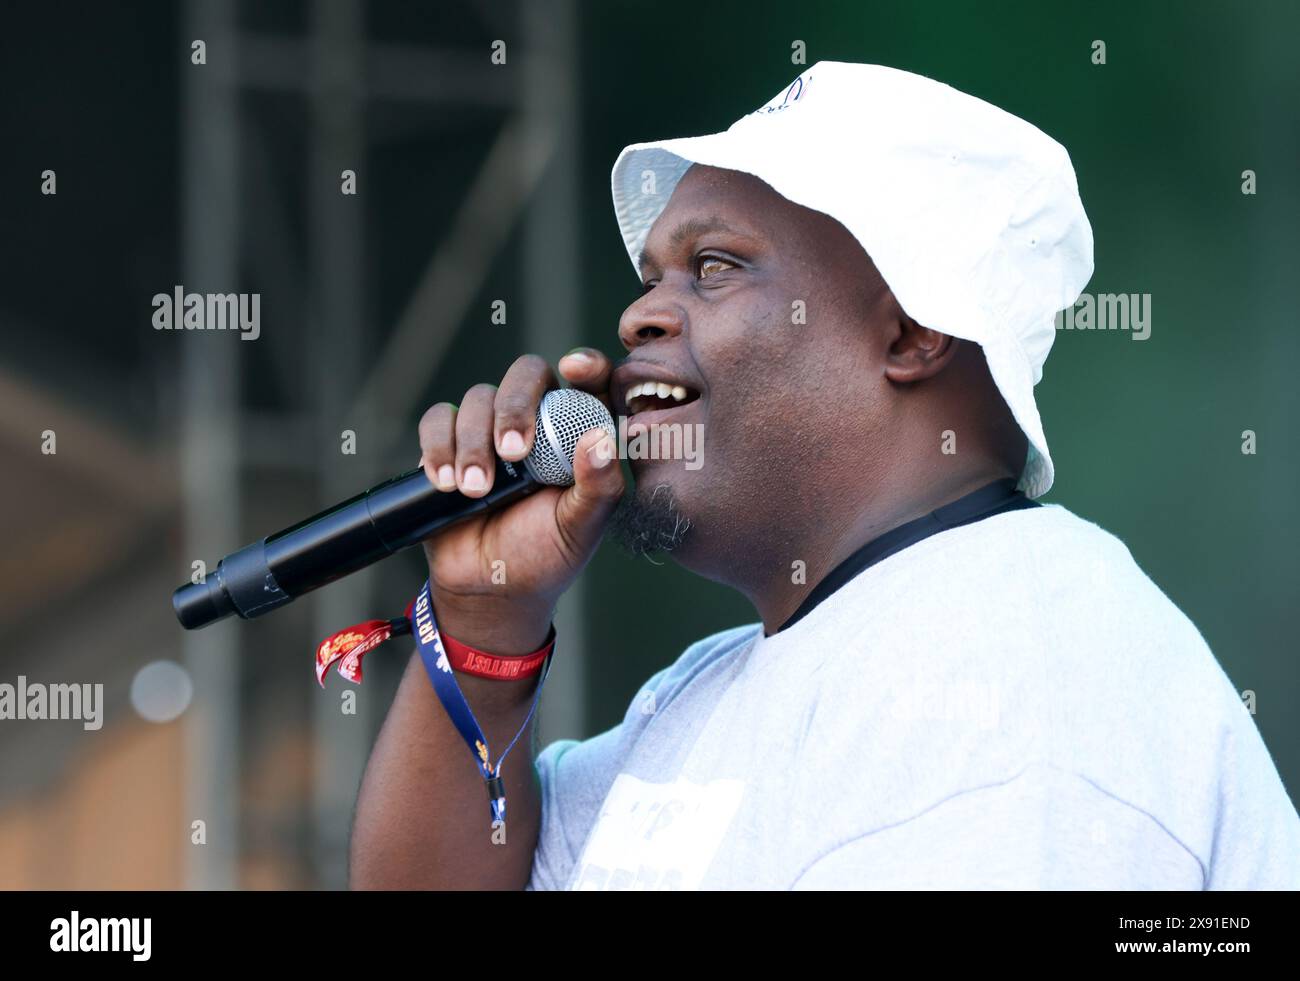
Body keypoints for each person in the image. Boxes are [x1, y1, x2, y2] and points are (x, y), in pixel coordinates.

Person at [349, 62, 1300, 890]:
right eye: (651, 278)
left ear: (913, 330)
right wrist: (483, 622)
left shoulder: (1020, 672)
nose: (639, 316)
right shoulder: (714, 688)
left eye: (713, 267)